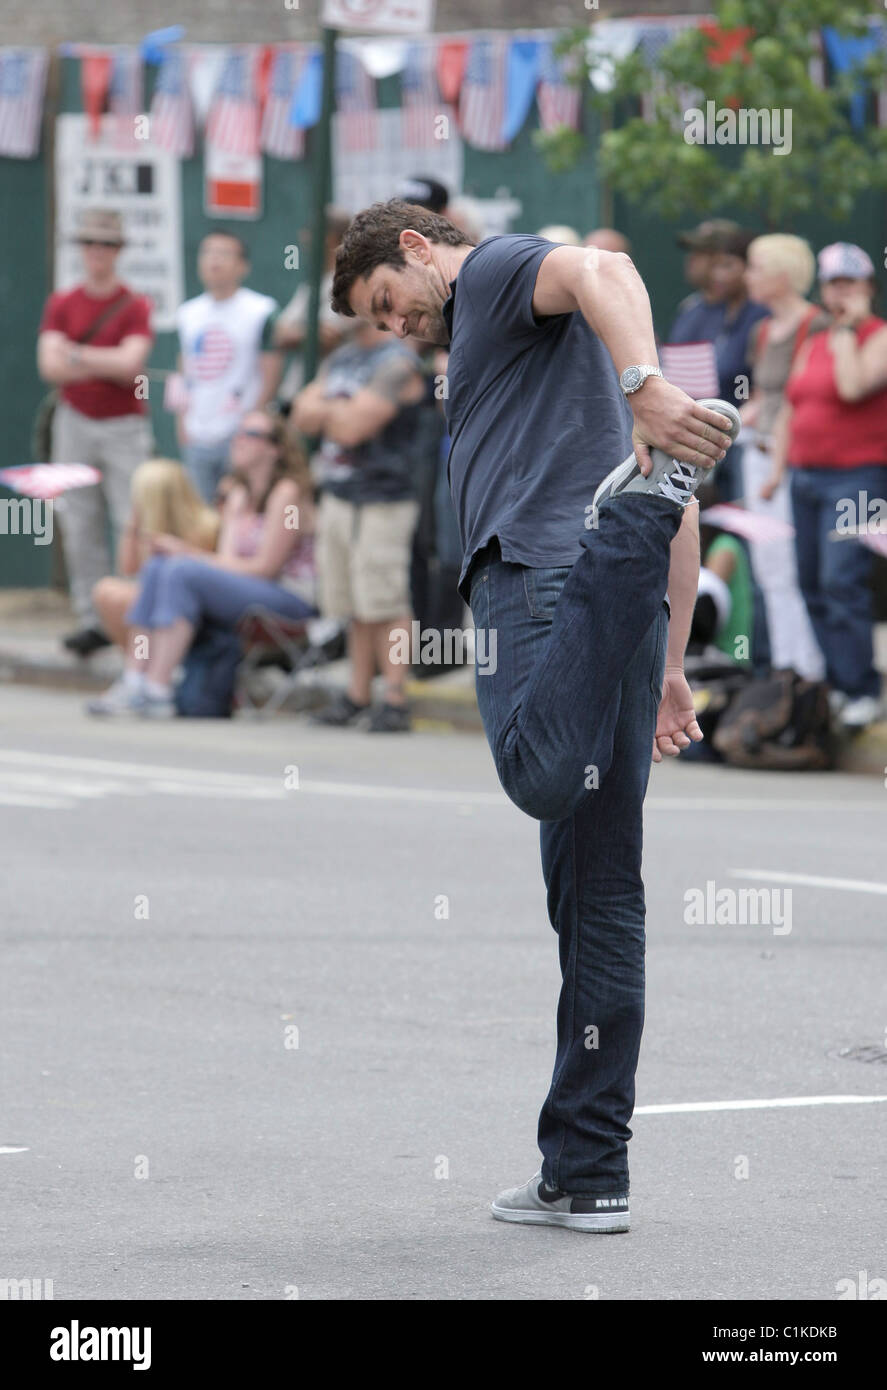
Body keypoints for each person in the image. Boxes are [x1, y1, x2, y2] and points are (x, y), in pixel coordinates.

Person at [331, 199, 734, 1230]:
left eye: (388, 303)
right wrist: (674, 661)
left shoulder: (494, 274)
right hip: (619, 608)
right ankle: (587, 1169)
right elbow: (669, 490)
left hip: (547, 586)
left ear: (416, 250)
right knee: (597, 900)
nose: (398, 327)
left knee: (532, 774)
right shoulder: (506, 345)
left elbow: (603, 270)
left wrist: (646, 385)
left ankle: (585, 1158)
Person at [89, 410, 316, 717]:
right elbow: (226, 560)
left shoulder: (287, 494)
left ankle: (158, 687)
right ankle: (134, 680)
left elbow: (266, 568)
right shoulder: (238, 494)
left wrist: (188, 553)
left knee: (181, 568)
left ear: (275, 448)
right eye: (238, 432)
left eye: (251, 434)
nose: (238, 440)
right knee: (159, 566)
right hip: (246, 593)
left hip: (289, 601)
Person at [761, 242, 887, 730]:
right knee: (811, 583)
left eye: (850, 284)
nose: (840, 293)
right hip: (807, 476)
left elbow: (853, 386)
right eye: (834, 284)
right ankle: (839, 685)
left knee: (842, 580)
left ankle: (862, 689)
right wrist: (777, 470)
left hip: (857, 476)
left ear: (868, 289)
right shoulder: (813, 341)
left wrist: (847, 331)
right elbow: (794, 403)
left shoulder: (875, 336)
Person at [291, 319, 426, 731]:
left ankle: (395, 698)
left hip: (384, 497)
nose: (337, 313)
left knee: (385, 600)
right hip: (338, 492)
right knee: (352, 602)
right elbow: (300, 415)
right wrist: (340, 410)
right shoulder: (342, 357)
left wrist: (329, 411)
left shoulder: (398, 362)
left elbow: (351, 429)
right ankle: (357, 695)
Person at [37, 208, 154, 657]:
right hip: (75, 422)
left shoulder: (135, 303)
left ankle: (134, 613)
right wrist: (98, 360)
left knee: (132, 519)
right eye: (90, 244)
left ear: (118, 251)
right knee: (79, 520)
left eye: (106, 244)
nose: (97, 252)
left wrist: (76, 354)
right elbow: (49, 366)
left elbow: (131, 366)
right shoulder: (62, 303)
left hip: (124, 424)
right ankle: (94, 618)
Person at [739, 235, 826, 680]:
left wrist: (777, 464)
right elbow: (761, 397)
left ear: (781, 274)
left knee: (795, 566)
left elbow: (800, 399)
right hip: (759, 452)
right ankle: (784, 670)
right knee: (768, 567)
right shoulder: (763, 329)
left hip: (792, 460)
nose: (747, 276)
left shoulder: (816, 324)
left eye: (756, 267)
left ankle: (809, 671)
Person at [176, 232, 282, 504]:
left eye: (224, 253)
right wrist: (182, 421)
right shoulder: (188, 313)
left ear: (242, 266)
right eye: (208, 252)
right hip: (197, 433)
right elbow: (184, 368)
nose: (214, 260)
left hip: (239, 434)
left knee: (239, 510)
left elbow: (271, 368)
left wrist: (251, 423)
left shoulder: (261, 310)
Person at [92, 459, 220, 660]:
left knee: (135, 603)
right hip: (154, 602)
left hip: (192, 606)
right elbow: (127, 569)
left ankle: (146, 667)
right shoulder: (143, 528)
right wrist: (133, 525)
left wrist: (182, 551)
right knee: (108, 592)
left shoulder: (208, 525)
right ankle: (139, 663)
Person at [274, 207, 356, 407]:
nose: (304, 238)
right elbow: (279, 334)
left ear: (329, 238)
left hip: (333, 397)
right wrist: (310, 332)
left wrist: (300, 333)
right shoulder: (312, 283)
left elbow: (327, 338)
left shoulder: (353, 282)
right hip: (298, 392)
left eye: (310, 231)